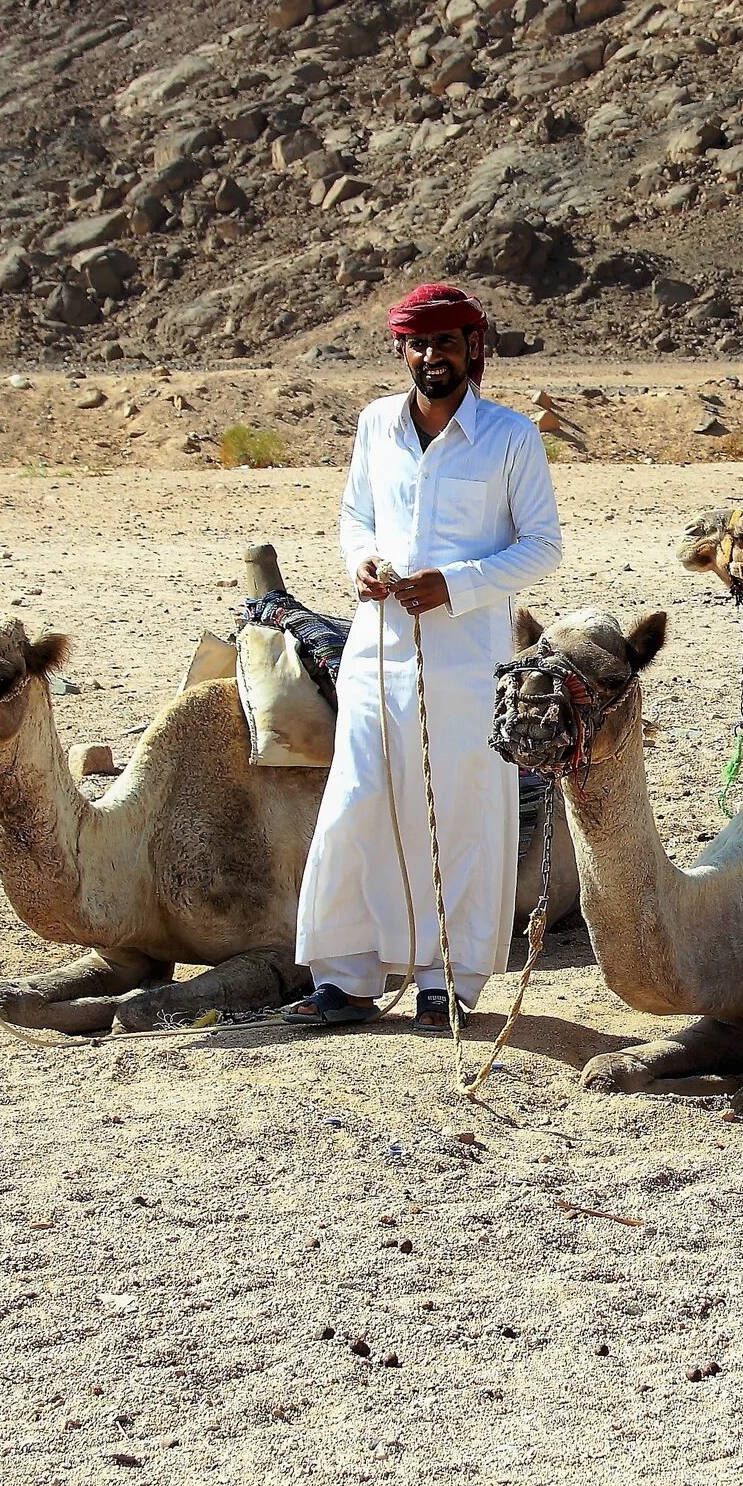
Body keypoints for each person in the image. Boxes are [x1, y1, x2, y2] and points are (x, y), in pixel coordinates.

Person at [284, 282, 564, 1031]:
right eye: (419, 343)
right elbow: (354, 517)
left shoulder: (510, 437)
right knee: (356, 806)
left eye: (446, 342)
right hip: (377, 657)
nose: (431, 356)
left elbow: (543, 546)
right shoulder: (377, 424)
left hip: (467, 665)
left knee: (462, 815)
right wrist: (365, 562)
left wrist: (457, 585)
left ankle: (451, 979)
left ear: (473, 350)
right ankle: (344, 980)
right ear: (401, 350)